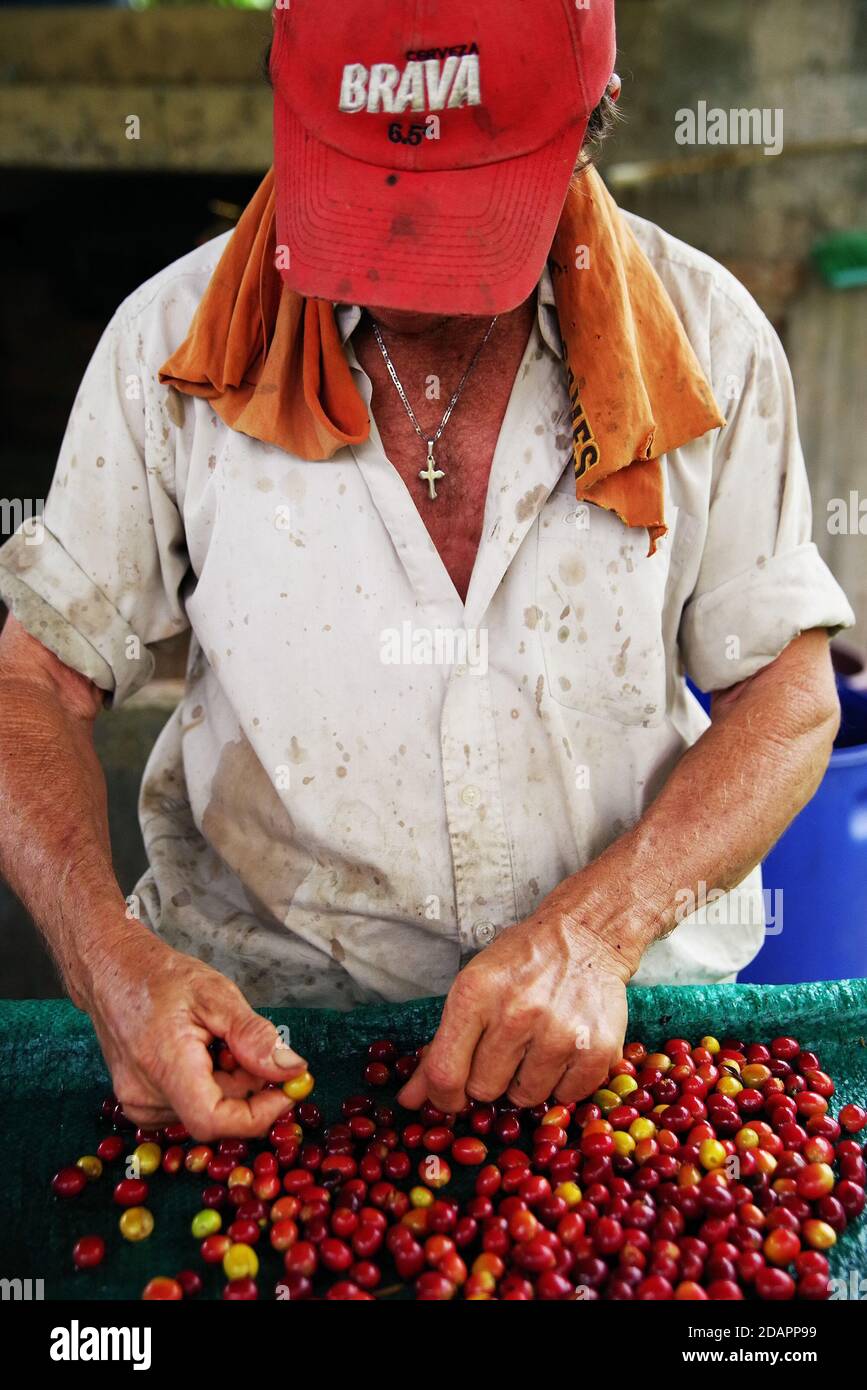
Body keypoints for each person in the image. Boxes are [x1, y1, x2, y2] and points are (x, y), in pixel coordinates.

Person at [0, 0, 853, 1138]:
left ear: (592, 124)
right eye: (362, 194)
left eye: (467, 213)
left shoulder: (713, 343)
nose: (404, 258)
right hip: (262, 1052)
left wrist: (599, 931)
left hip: (620, 1039)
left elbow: (787, 696)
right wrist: (109, 961)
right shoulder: (164, 350)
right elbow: (32, 687)